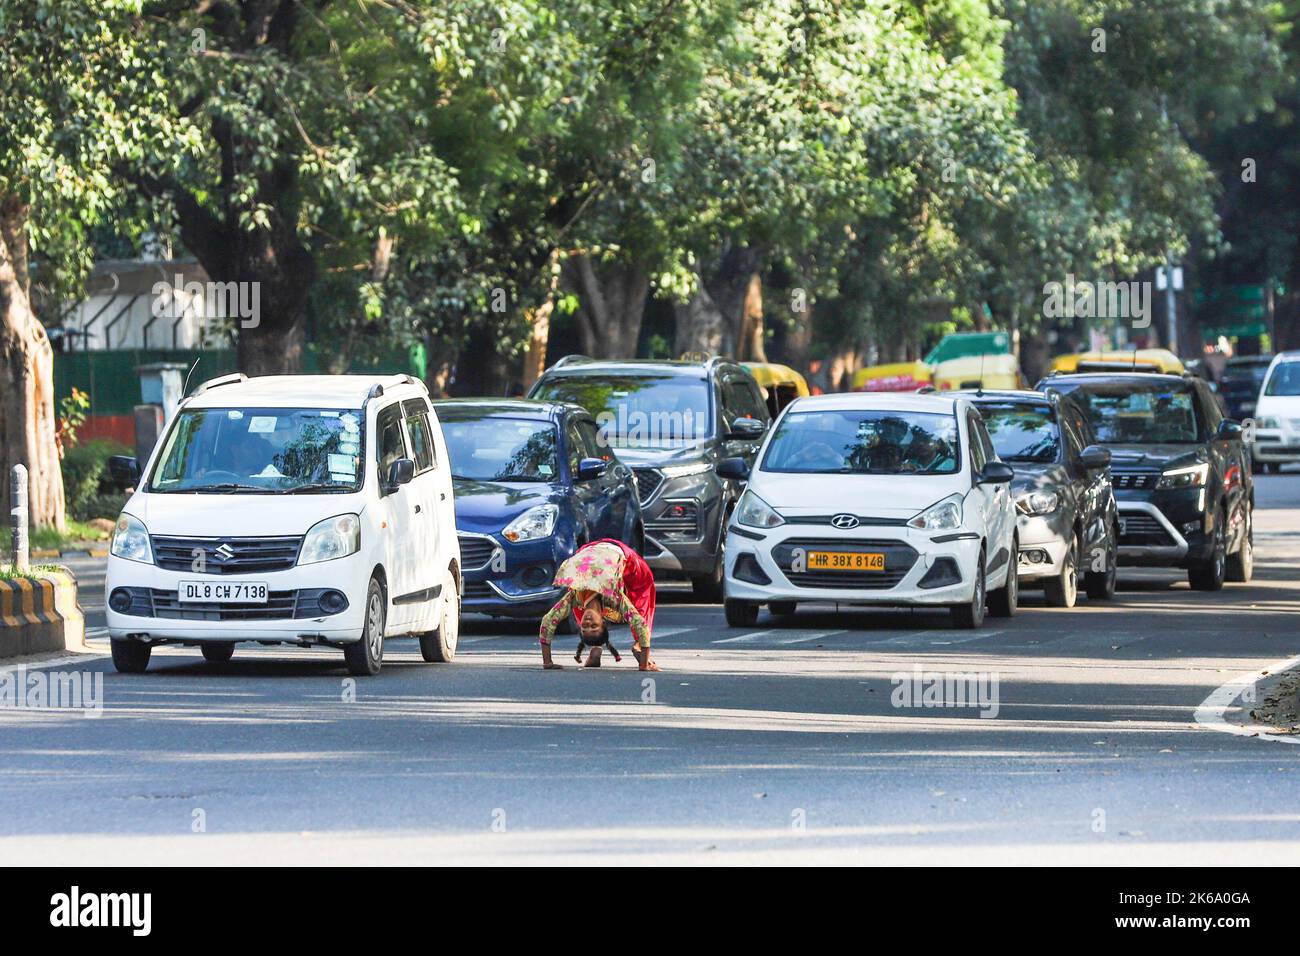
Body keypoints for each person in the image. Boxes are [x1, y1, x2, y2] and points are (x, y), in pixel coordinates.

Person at [538, 538, 658, 671]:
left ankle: (596, 648)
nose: (588, 621)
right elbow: (640, 623)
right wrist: (644, 664)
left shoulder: (575, 597)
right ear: (603, 621)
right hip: (619, 553)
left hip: (587, 551)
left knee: (578, 601)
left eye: (584, 626)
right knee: (644, 587)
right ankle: (637, 645)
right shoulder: (613, 597)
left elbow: (548, 621)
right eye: (594, 626)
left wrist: (547, 662)